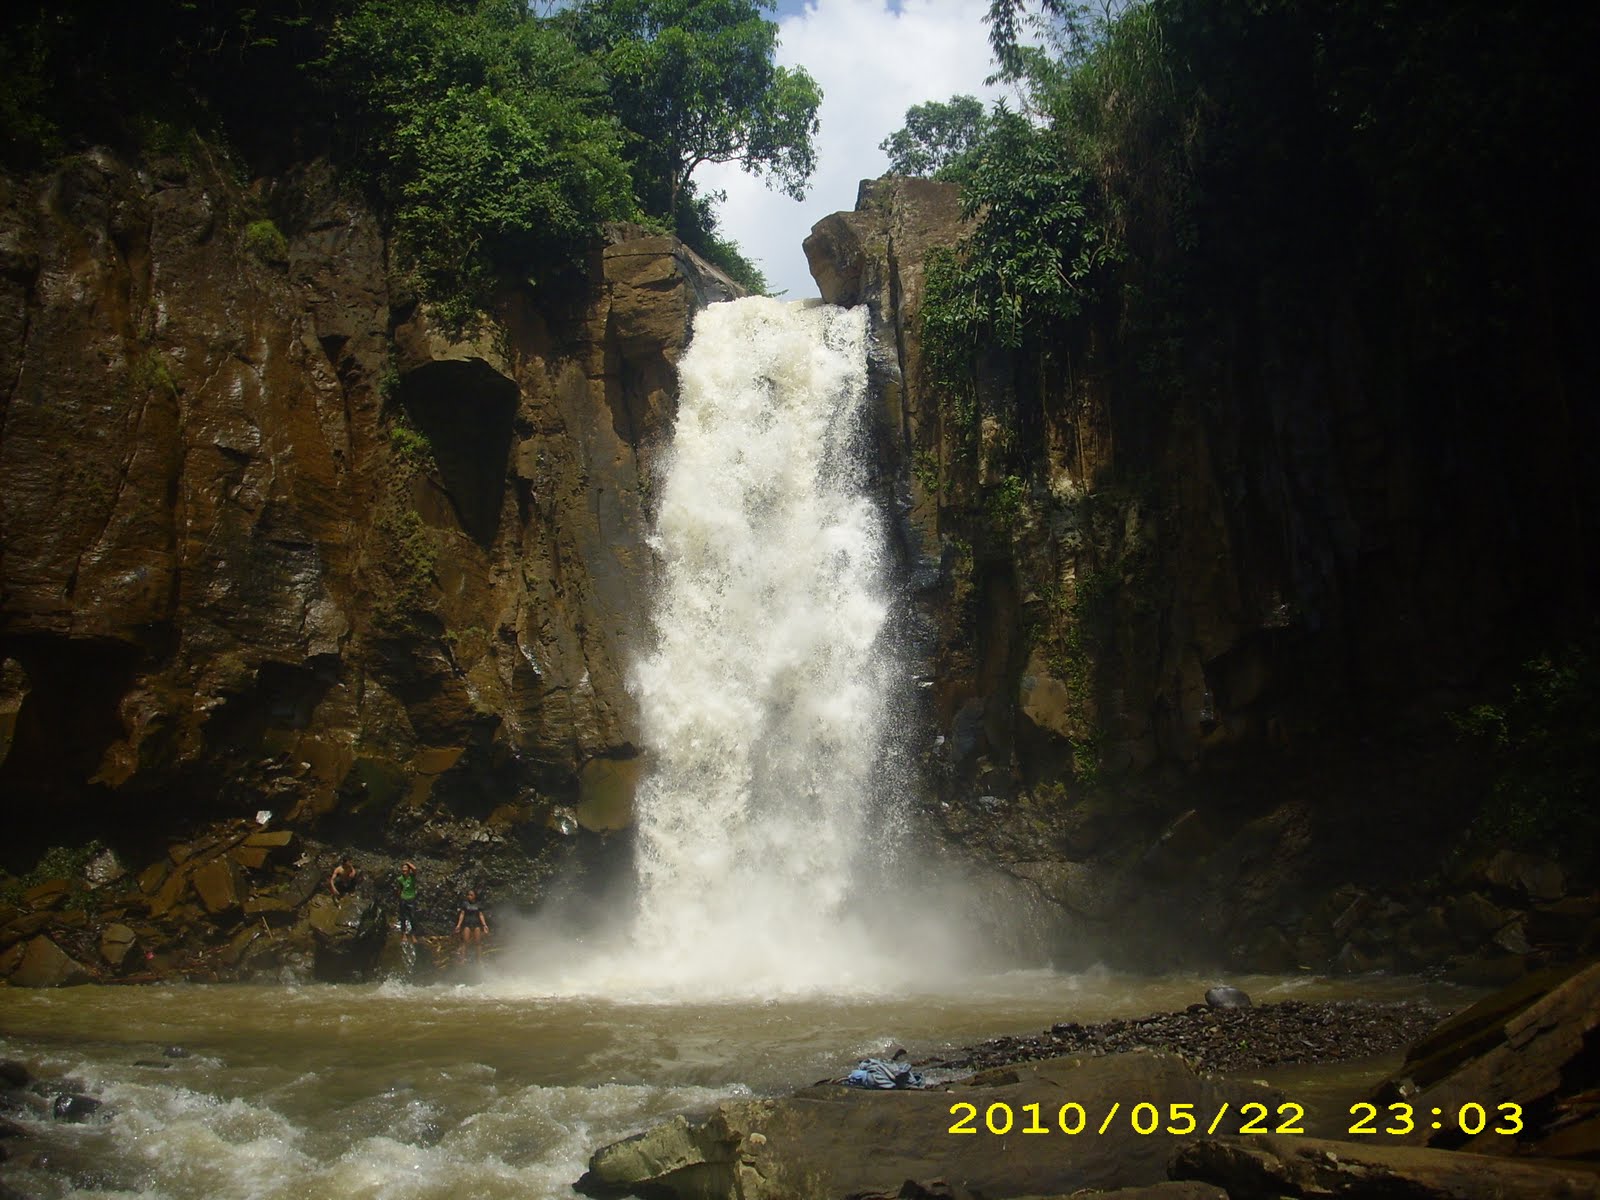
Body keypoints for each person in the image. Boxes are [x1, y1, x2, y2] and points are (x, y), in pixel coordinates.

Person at [454, 888, 489, 962]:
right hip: (467, 923)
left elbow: (481, 915)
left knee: (478, 942)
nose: (469, 896)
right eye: (468, 895)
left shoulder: (478, 904)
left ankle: (479, 959)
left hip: (476, 924)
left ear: (475, 896)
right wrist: (458, 925)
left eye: (471, 895)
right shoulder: (465, 904)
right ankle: (463, 958)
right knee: (465, 941)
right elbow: (462, 914)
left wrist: (484, 925)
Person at [395, 861, 420, 945]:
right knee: (403, 918)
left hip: (411, 899)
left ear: (409, 870)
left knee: (413, 917)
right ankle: (404, 935)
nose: (404, 871)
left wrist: (407, 863)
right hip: (403, 899)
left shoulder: (412, 877)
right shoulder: (400, 879)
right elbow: (399, 889)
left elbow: (415, 869)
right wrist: (399, 898)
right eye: (403, 870)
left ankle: (413, 934)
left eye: (406, 869)